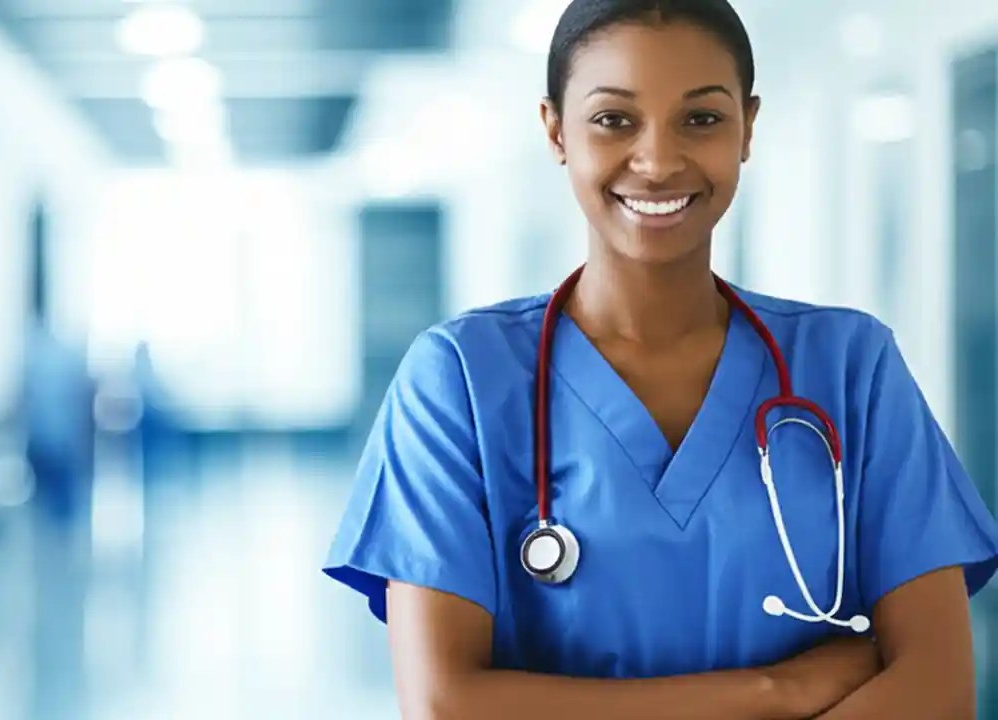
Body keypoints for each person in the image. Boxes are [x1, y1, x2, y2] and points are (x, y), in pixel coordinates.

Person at [321, 0, 998, 717]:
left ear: (748, 128)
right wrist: (777, 690)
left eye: (701, 119)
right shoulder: (458, 378)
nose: (657, 160)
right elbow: (446, 703)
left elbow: (938, 687)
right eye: (614, 119)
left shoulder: (851, 366)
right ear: (555, 130)